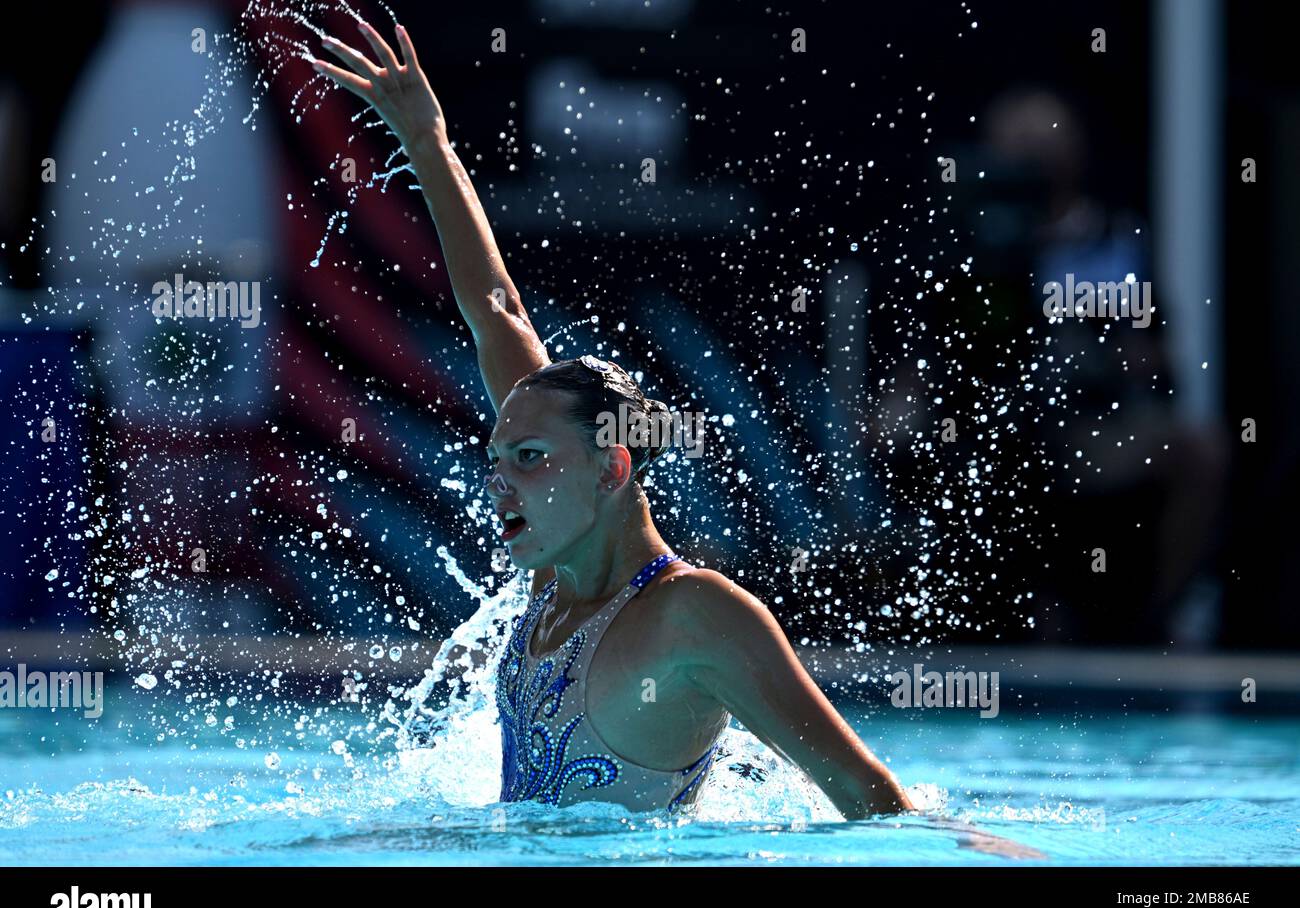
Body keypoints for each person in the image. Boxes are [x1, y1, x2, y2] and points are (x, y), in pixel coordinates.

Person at [309, 24, 1054, 862]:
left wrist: (987, 855)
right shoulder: (561, 566)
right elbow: (498, 310)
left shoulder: (698, 617)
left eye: (528, 461)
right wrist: (427, 142)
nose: (500, 486)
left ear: (612, 466)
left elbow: (867, 798)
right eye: (496, 462)